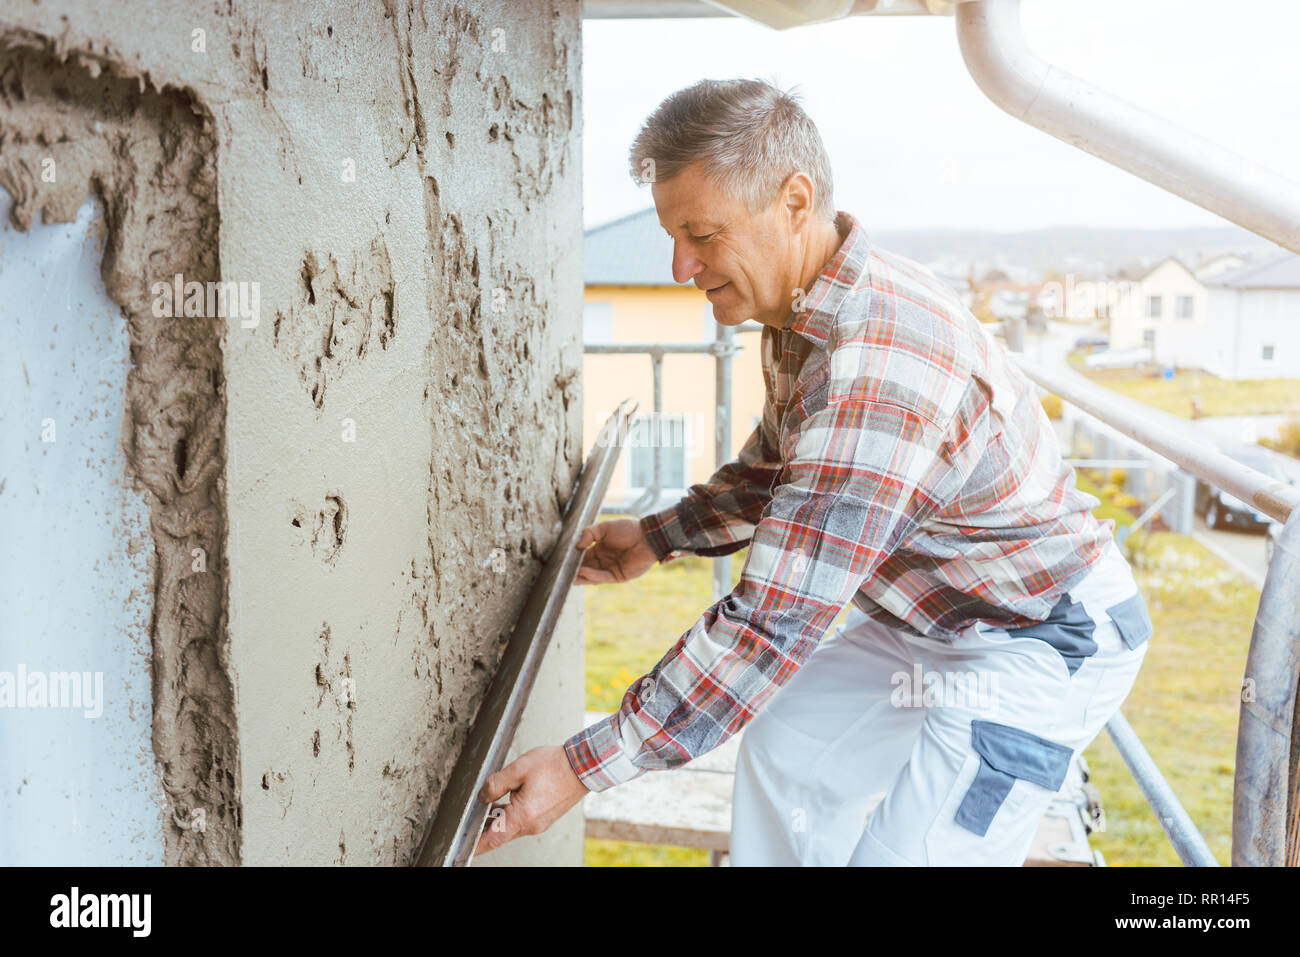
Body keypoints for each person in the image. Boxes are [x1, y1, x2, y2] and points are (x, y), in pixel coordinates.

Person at [473, 77, 1151, 866]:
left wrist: (581, 766)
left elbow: (771, 623)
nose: (679, 266)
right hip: (926, 621)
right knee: (787, 755)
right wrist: (657, 538)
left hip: (1035, 635)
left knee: (909, 856)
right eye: (673, 235)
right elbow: (778, 471)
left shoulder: (880, 361)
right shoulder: (804, 313)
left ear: (795, 201)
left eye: (701, 233)